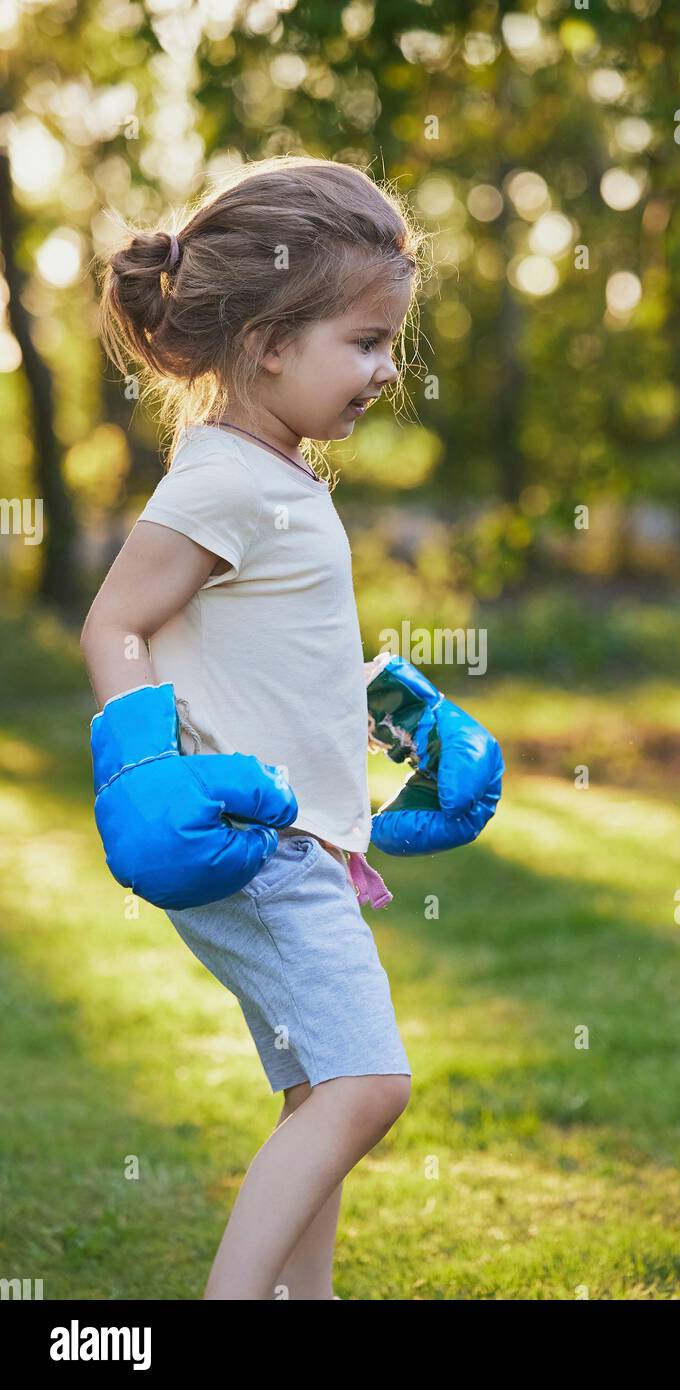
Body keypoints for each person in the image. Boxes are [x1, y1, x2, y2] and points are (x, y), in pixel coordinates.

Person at [80, 155, 502, 1300]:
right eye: (364, 341)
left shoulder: (276, 475)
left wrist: (391, 709)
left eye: (390, 342)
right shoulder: (225, 480)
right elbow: (115, 622)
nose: (386, 370)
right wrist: (146, 765)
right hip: (256, 847)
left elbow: (263, 644)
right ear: (269, 342)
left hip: (296, 842)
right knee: (367, 1089)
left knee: (324, 1090)